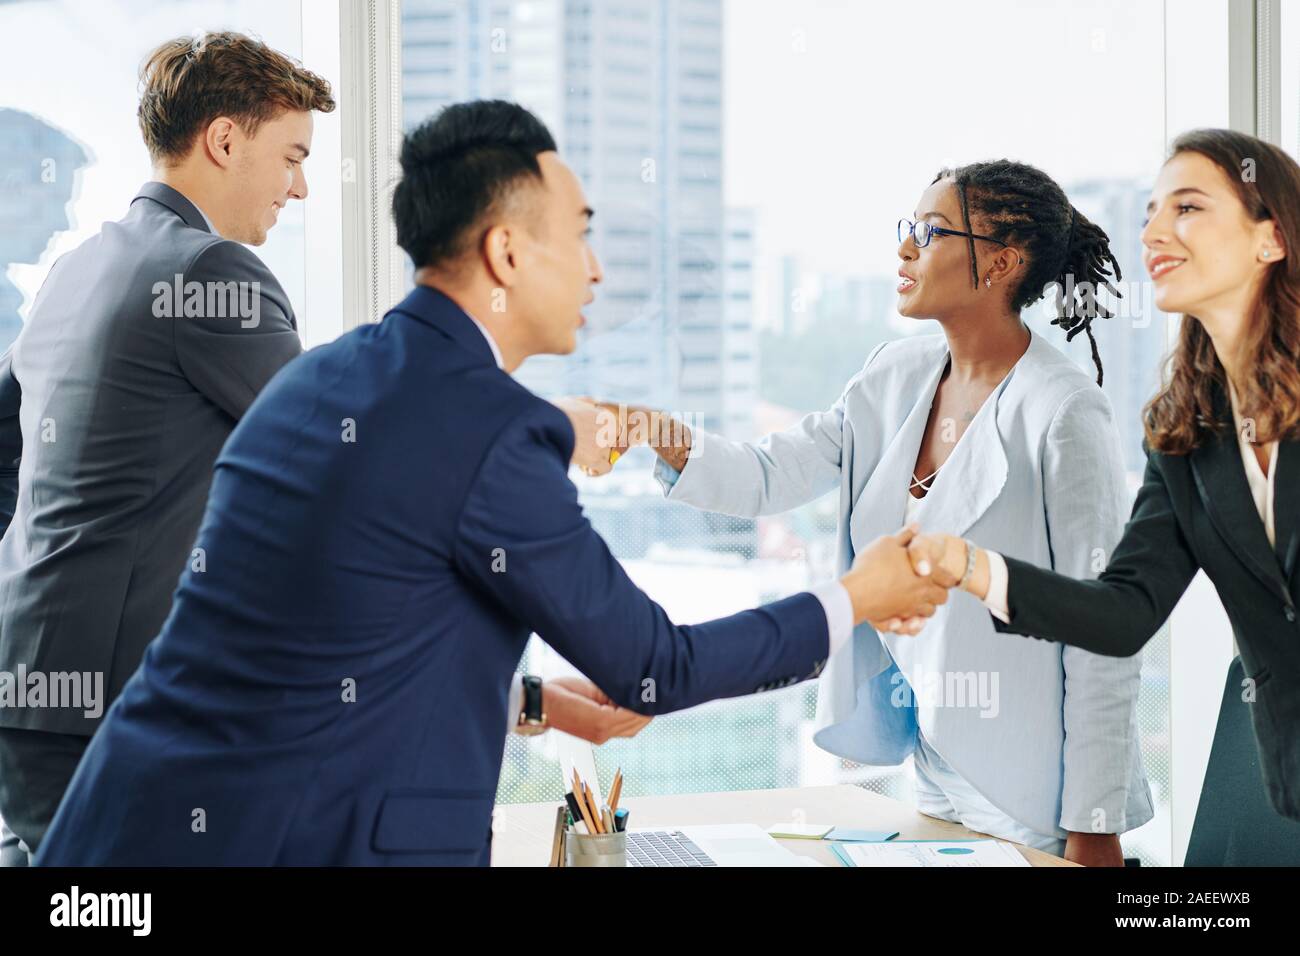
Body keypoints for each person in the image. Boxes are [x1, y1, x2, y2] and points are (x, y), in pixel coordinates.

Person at [34, 100, 947, 866]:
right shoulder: (488, 429)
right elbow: (654, 667)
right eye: (581, 236)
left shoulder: (323, 377)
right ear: (507, 253)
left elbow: (318, 632)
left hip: (121, 829)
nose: (596, 269)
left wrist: (536, 703)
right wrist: (857, 596)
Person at [584, 160, 1153, 864]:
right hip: (934, 766)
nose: (905, 248)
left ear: (1002, 262)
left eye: (931, 231)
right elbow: (767, 476)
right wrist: (649, 429)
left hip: (1037, 788)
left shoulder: (1063, 411)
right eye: (906, 228)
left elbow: (1104, 632)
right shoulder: (895, 375)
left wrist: (1093, 826)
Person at [0, 31, 335, 865]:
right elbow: (338, 464)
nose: (299, 186)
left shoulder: (76, 270)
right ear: (225, 140)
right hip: (118, 702)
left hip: (30, 681)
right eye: (291, 155)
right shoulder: (212, 272)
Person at [905, 128, 1300, 824]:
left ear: (1270, 238)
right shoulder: (1187, 435)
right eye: (1149, 211)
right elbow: (1124, 614)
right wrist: (971, 566)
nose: (1154, 230)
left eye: (1187, 207)